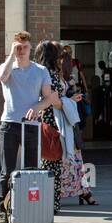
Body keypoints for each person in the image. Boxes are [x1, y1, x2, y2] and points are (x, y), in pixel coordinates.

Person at [0, 32, 61, 223]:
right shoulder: (8, 67)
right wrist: (11, 54)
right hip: (9, 123)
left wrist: (37, 107)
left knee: (32, 168)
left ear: (31, 48)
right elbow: (1, 76)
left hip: (31, 125)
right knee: (7, 170)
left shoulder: (40, 70)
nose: (21, 51)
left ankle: (30, 208)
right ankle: (2, 210)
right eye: (18, 47)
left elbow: (49, 97)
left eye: (24, 47)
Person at [38, 40, 93, 208]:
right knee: (52, 161)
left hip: (59, 120)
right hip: (53, 121)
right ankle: (51, 203)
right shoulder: (48, 73)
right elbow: (53, 100)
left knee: (55, 162)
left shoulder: (51, 72)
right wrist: (69, 102)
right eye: (58, 52)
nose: (62, 55)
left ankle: (53, 202)